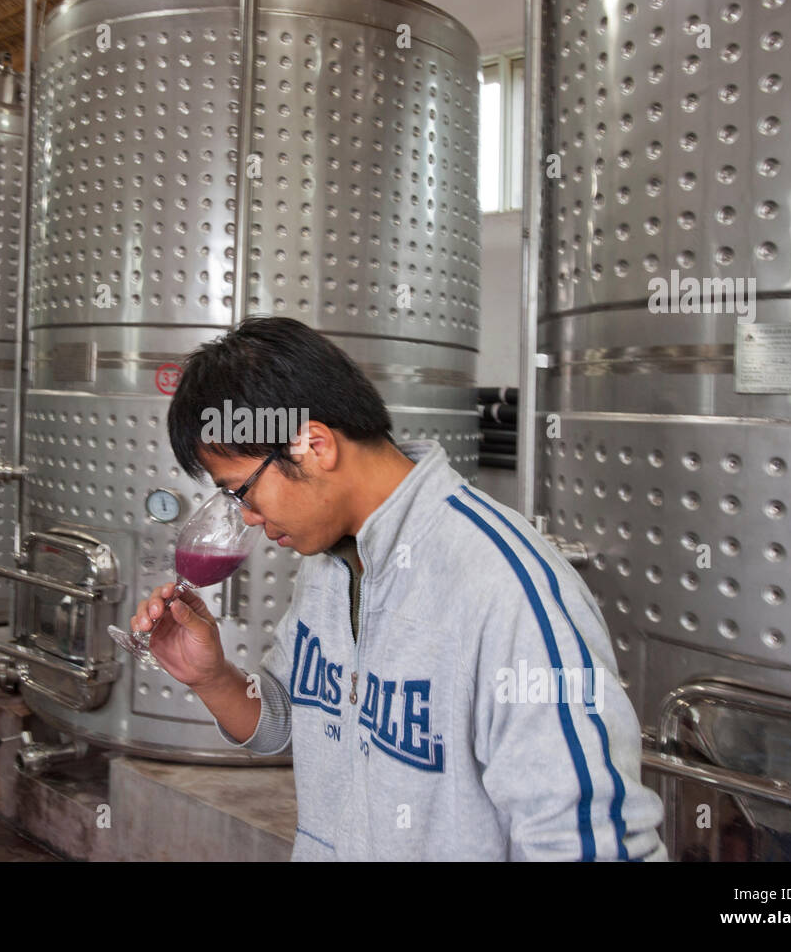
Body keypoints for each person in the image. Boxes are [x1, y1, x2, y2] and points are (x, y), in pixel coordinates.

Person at [133, 316, 666, 860]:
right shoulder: (331, 562)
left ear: (313, 446)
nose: (245, 517)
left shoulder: (506, 589)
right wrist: (213, 678)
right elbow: (293, 722)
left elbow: (589, 841)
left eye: (241, 490)